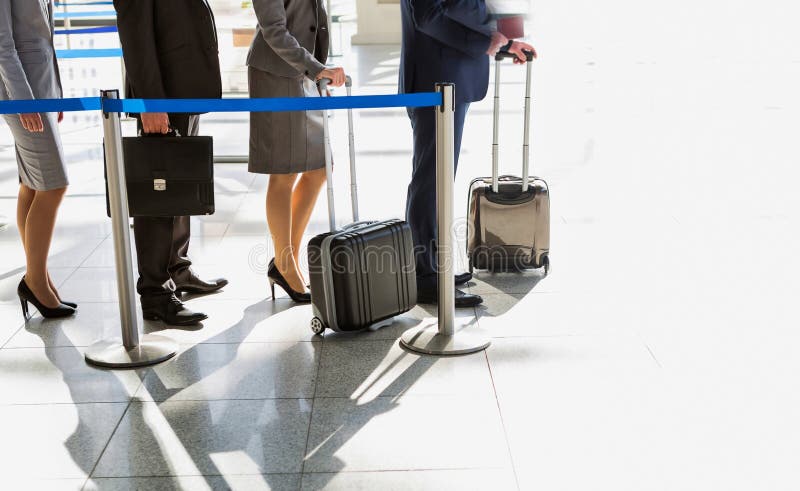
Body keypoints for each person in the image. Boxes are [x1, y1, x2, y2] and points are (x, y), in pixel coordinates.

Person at [400, 0, 536, 307]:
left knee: (437, 178)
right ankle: (425, 276)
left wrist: (504, 44)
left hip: (447, 76)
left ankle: (432, 267)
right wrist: (485, 40)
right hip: (436, 80)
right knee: (431, 180)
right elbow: (429, 16)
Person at [114, 0, 228, 326]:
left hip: (183, 89)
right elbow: (135, 34)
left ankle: (178, 269)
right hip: (162, 93)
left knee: (180, 186)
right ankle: (155, 293)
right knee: (159, 195)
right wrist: (150, 102)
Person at [247, 0, 346, 302]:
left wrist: (316, 68)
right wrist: (317, 68)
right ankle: (286, 264)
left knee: (319, 169)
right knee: (284, 172)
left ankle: (284, 260)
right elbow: (274, 30)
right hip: (276, 73)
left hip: (304, 71)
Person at [0, 0, 76, 319]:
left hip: (40, 88)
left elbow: (44, 37)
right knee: (54, 185)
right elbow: (3, 45)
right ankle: (34, 282)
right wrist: (24, 102)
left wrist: (53, 94)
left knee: (32, 185)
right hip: (22, 95)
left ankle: (39, 277)